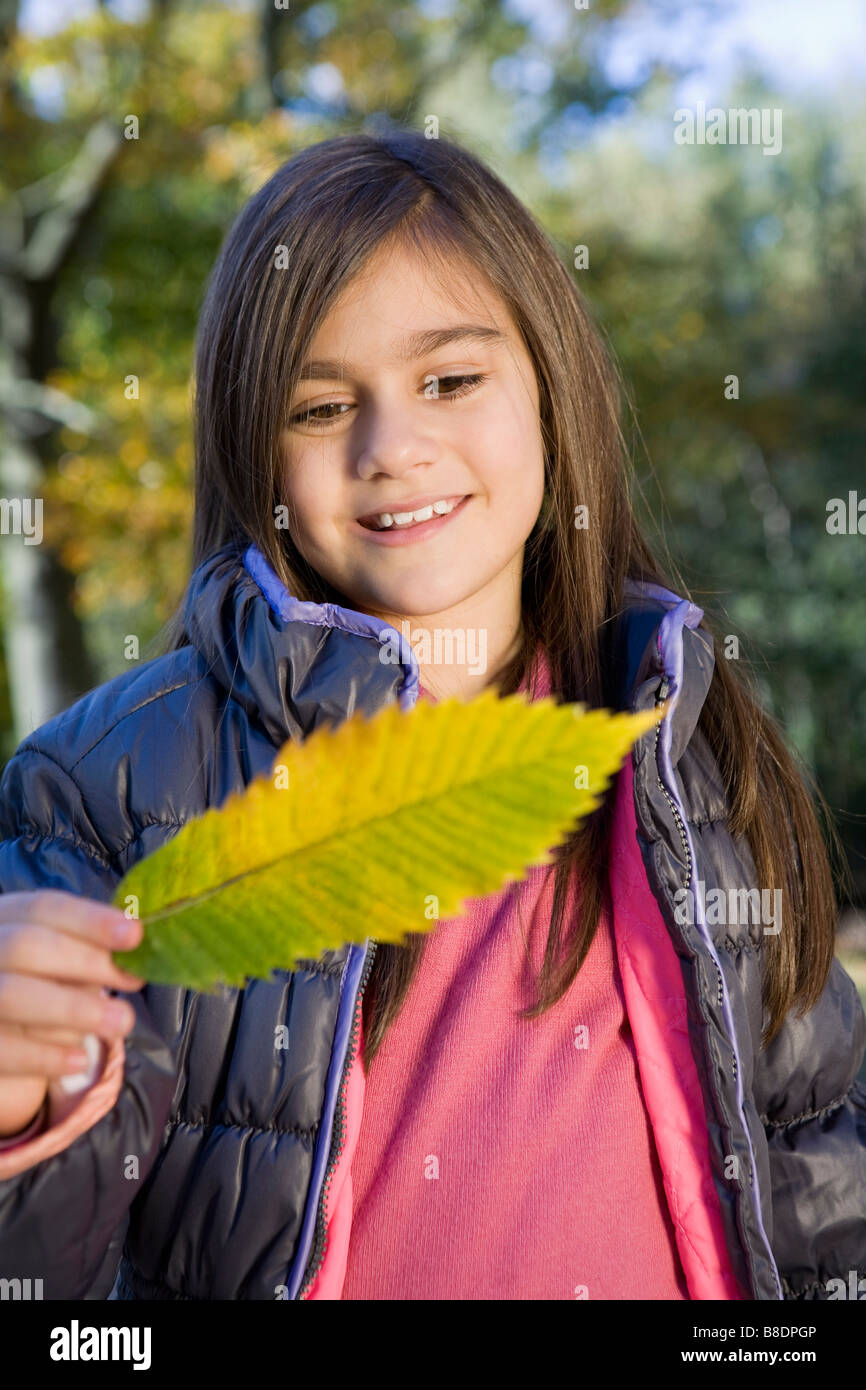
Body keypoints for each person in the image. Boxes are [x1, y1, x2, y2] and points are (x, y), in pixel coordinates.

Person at [0, 129, 863, 1302]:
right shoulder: (106, 788)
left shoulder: (683, 740)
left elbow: (818, 1160)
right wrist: (25, 1110)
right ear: (251, 451)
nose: (391, 448)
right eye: (316, 408)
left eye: (449, 380)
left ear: (550, 392)